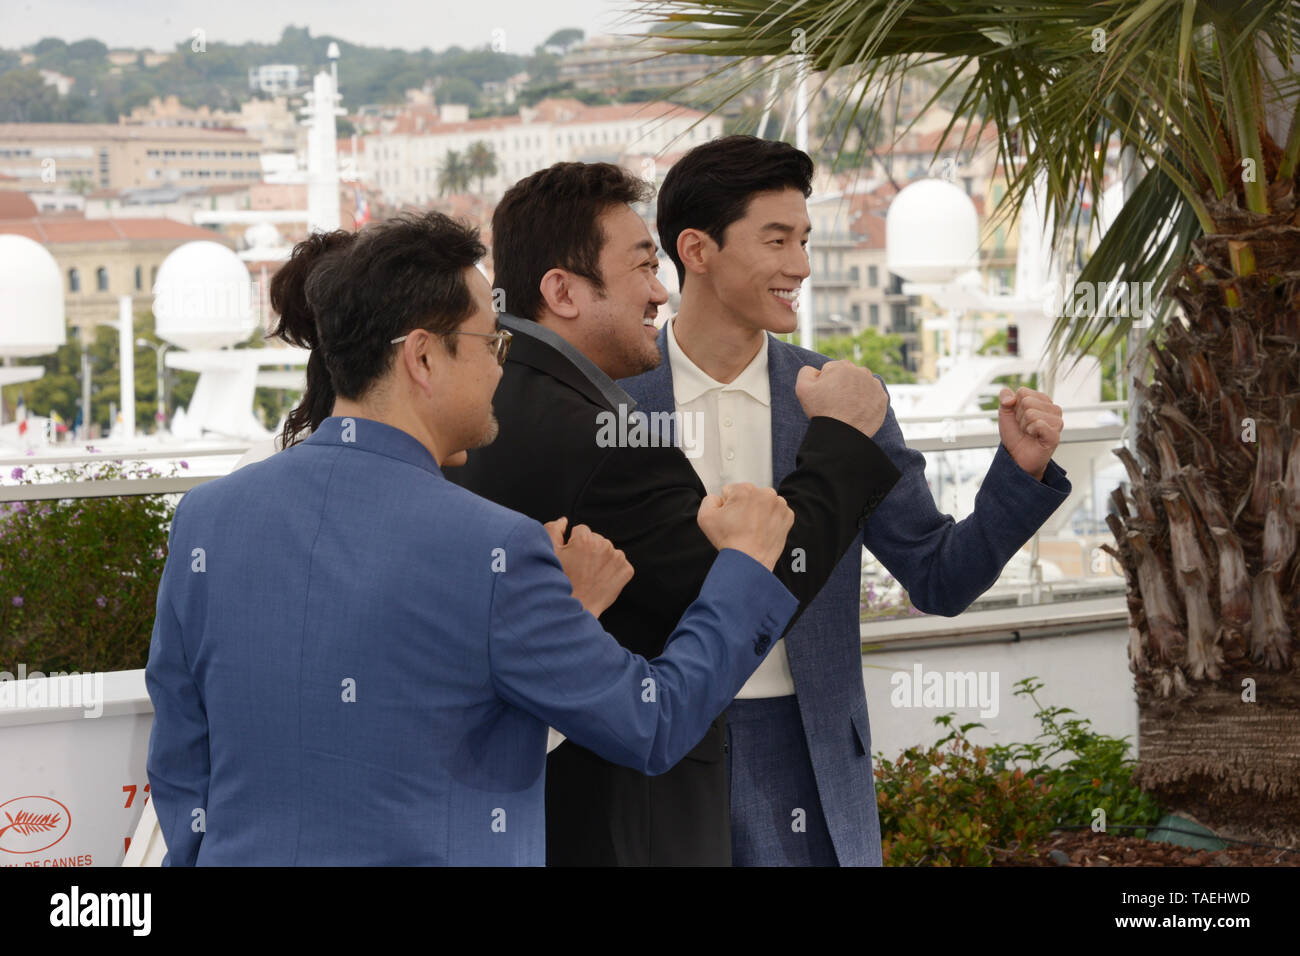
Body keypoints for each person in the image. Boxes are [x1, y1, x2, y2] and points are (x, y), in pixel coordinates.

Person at [144, 212, 804, 866]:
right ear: (424, 356)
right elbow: (653, 723)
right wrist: (744, 566)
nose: (499, 373)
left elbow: (182, 756)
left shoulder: (209, 518)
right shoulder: (497, 551)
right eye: (492, 346)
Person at [621, 134, 1073, 866]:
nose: (800, 265)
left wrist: (1016, 475)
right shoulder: (614, 403)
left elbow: (939, 575)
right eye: (777, 240)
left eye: (804, 239)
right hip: (656, 759)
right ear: (697, 250)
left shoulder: (844, 398)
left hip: (809, 750)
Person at [447, 162, 902, 865]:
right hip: (618, 816)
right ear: (562, 290)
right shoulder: (597, 438)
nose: (659, 293)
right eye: (640, 268)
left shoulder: (497, 407)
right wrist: (839, 442)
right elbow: (754, 593)